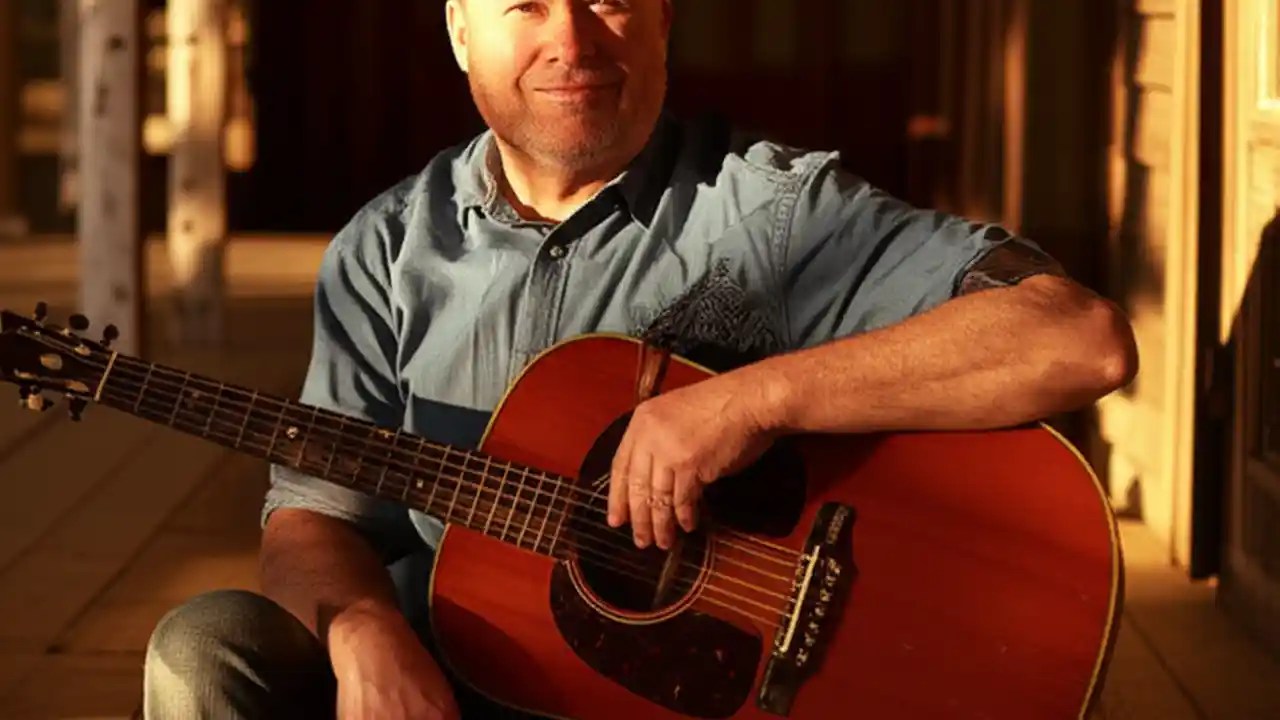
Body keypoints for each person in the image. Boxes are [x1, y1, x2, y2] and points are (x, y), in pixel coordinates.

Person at [140, 1, 1139, 718]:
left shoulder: (772, 214)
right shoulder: (386, 252)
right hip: (455, 670)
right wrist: (361, 627)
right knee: (207, 648)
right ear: (459, 31)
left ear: (663, 21)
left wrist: (750, 402)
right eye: (524, 5)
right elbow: (316, 512)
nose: (571, 41)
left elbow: (1076, 339)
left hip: (692, 693)